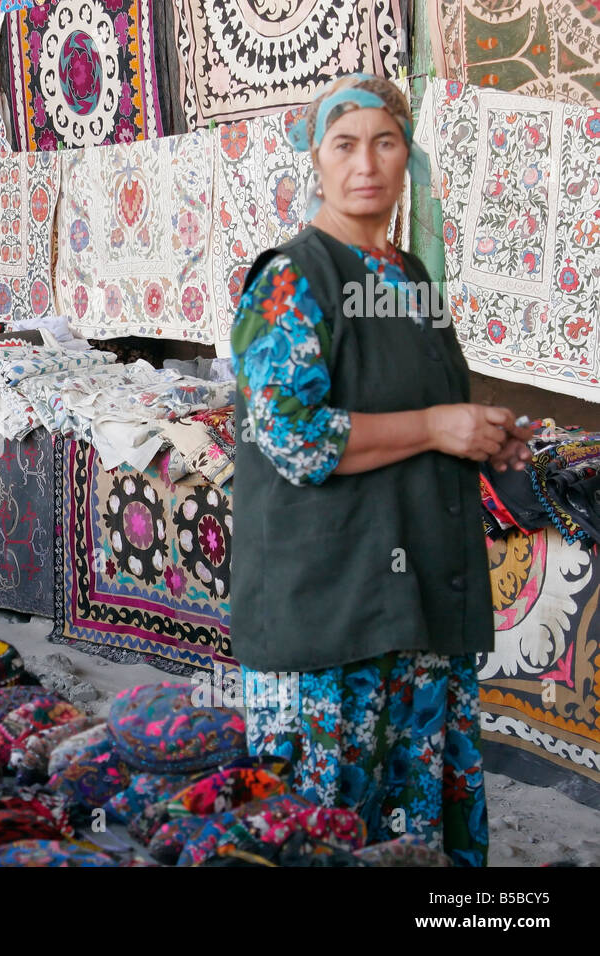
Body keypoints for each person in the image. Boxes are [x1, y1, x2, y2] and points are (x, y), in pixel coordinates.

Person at [229, 73, 534, 867]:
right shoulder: (293, 280)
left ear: (408, 159)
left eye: (385, 141)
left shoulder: (411, 279)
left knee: (414, 825)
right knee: (323, 829)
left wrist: (479, 438)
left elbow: (415, 412)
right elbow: (292, 438)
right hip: (329, 617)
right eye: (344, 143)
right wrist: (436, 425)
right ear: (315, 160)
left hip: (415, 602)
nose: (366, 162)